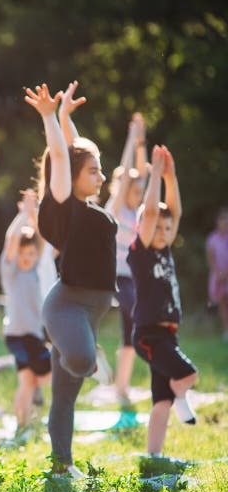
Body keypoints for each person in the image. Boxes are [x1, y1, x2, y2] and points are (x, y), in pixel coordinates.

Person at [26, 81, 116, 479]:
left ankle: (62, 464)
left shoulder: (91, 206)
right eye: (94, 171)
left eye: (101, 168)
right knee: (81, 359)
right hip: (66, 304)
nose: (101, 175)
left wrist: (67, 118)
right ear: (74, 177)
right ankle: (68, 350)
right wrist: (50, 118)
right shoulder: (66, 206)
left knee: (65, 397)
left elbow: (77, 154)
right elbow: (63, 158)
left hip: (93, 309)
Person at [128, 145, 198, 455]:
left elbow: (174, 211)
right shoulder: (140, 253)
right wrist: (155, 172)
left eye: (167, 229)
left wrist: (171, 177)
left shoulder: (165, 249)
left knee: (161, 402)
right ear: (142, 227)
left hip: (168, 334)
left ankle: (153, 454)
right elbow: (155, 211)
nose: (162, 230)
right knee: (187, 375)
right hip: (149, 334)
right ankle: (181, 392)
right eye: (156, 226)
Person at [0, 189, 51, 436]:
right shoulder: (11, 273)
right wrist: (22, 216)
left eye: (31, 254)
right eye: (23, 254)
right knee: (29, 379)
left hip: (34, 335)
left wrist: (34, 215)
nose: (28, 258)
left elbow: (41, 238)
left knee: (32, 380)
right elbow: (11, 240)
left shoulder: (33, 270)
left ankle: (24, 423)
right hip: (16, 336)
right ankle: (22, 424)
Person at [105, 113, 149, 402]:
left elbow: (143, 177)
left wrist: (143, 141)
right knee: (133, 316)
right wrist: (132, 139)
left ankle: (122, 386)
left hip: (131, 277)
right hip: (115, 276)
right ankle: (114, 382)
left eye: (139, 192)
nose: (138, 194)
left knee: (130, 330)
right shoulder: (116, 207)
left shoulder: (135, 212)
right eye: (132, 190)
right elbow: (127, 173)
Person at [207, 207, 228, 341]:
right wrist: (218, 274)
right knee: (222, 305)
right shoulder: (212, 239)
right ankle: (226, 330)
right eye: (222, 218)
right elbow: (210, 259)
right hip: (218, 277)